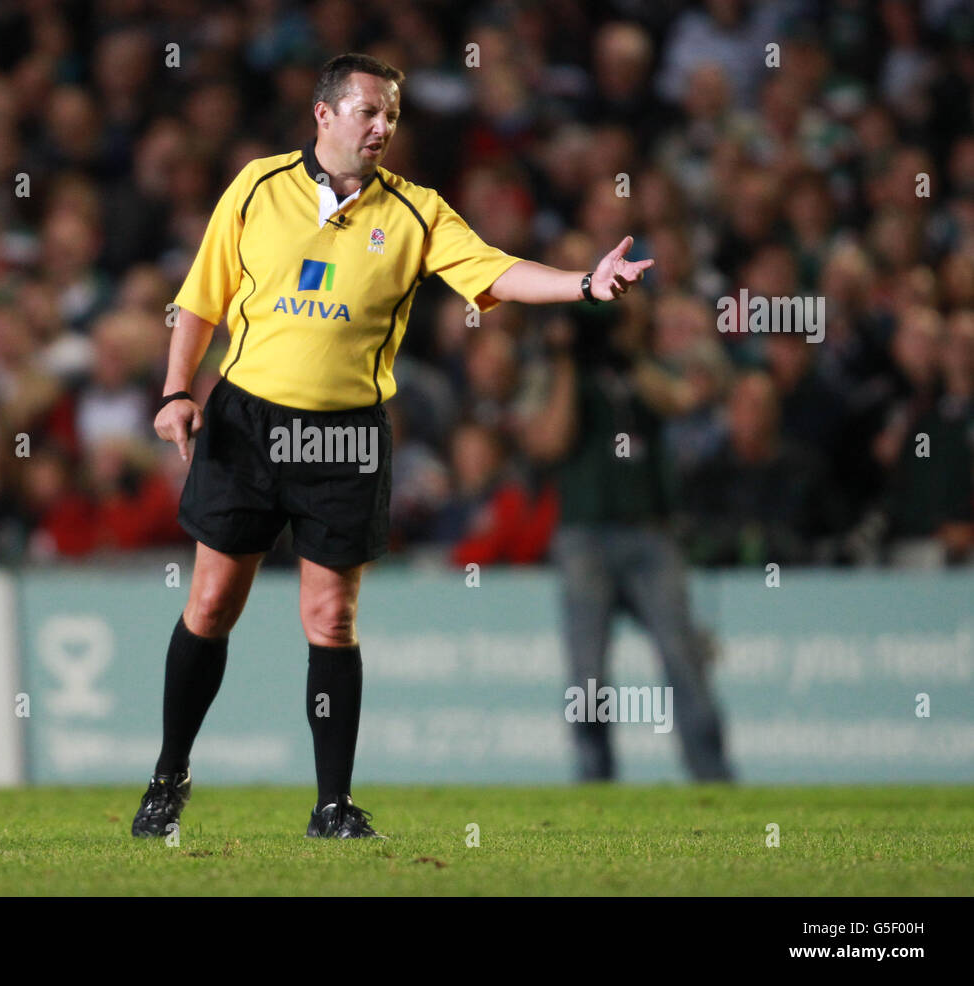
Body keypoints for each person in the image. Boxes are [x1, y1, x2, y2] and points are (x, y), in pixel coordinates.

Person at [134, 52, 653, 839]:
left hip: (347, 434)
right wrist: (176, 391)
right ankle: (168, 777)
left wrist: (584, 284)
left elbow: (495, 271)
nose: (382, 128)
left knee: (332, 617)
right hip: (247, 423)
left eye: (392, 117)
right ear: (324, 113)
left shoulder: (416, 212)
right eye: (369, 111)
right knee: (210, 603)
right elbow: (200, 300)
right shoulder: (255, 187)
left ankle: (332, 805)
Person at [523, 310, 732, 782]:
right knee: (588, 671)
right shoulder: (557, 372)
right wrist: (569, 362)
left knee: (683, 655)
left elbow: (682, 401)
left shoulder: (641, 370)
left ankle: (713, 774)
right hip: (584, 536)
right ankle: (595, 778)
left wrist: (627, 358)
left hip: (650, 532)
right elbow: (550, 441)